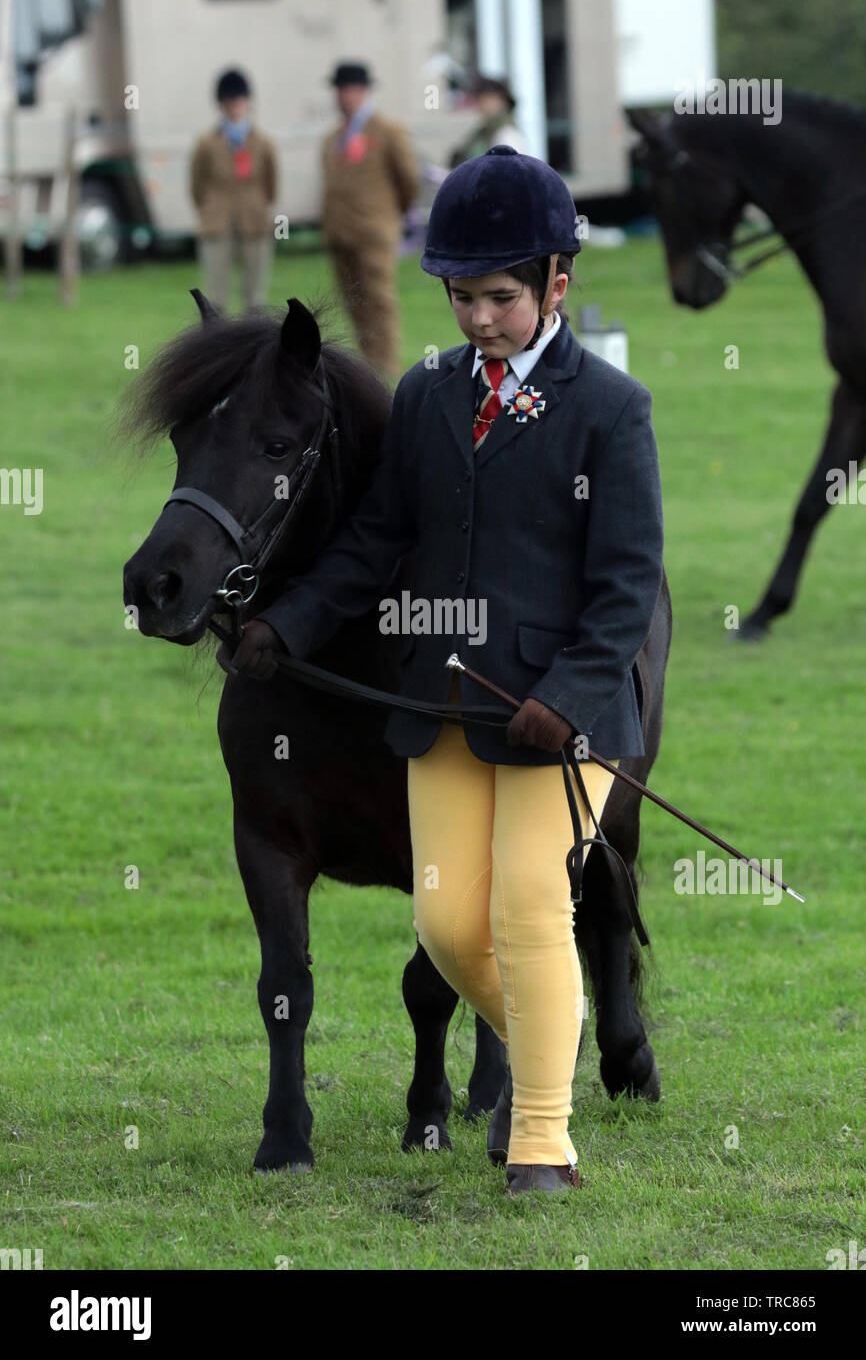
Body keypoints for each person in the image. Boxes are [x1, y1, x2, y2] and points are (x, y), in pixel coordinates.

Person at [220, 145, 664, 1197]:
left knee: (521, 907)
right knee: (448, 924)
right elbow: (375, 542)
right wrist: (284, 623)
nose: (476, 317)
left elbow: (627, 584)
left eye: (499, 297)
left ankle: (541, 1145)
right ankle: (559, 1032)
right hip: (444, 707)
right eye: (460, 296)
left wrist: (565, 695)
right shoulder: (424, 396)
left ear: (557, 281)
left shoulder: (610, 407)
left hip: (565, 715)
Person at [321, 62, 418, 378]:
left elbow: (408, 181)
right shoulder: (333, 137)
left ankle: (387, 368)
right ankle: (367, 368)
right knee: (354, 304)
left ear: (363, 91)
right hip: (340, 233)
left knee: (379, 303)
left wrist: (389, 217)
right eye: (339, 89)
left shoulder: (387, 132)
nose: (343, 96)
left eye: (349, 89)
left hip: (373, 233)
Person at [190, 68, 278, 314]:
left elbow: (271, 184)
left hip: (254, 220)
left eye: (239, 101)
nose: (235, 107)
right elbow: (197, 184)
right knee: (216, 297)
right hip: (217, 220)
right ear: (221, 105)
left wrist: (258, 205)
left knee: (255, 297)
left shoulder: (262, 143)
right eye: (230, 102)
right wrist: (210, 209)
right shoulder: (207, 144)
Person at [449, 77, 527, 168]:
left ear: (499, 99)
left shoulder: (507, 133)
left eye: (483, 99)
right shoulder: (484, 131)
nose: (479, 105)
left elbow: (508, 172)